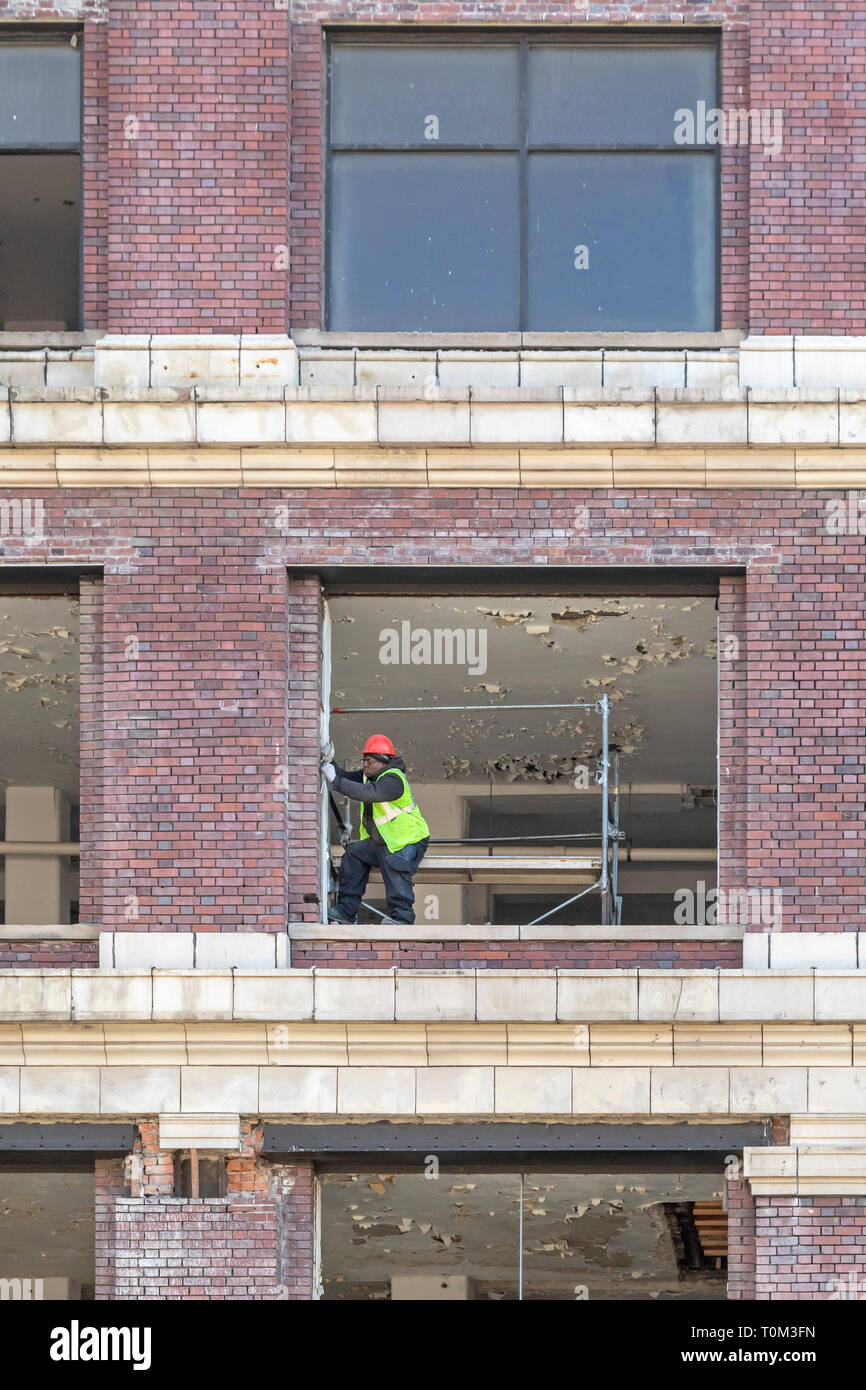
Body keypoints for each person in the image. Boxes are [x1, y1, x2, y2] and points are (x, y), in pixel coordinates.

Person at [321, 734, 430, 925]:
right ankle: (346, 911)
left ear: (383, 761)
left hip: (408, 839)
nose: (364, 765)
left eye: (368, 761)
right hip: (384, 840)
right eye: (364, 761)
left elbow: (369, 793)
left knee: (395, 861)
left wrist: (336, 782)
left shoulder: (393, 780)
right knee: (353, 855)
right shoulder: (369, 777)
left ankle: (402, 918)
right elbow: (344, 777)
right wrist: (331, 762)